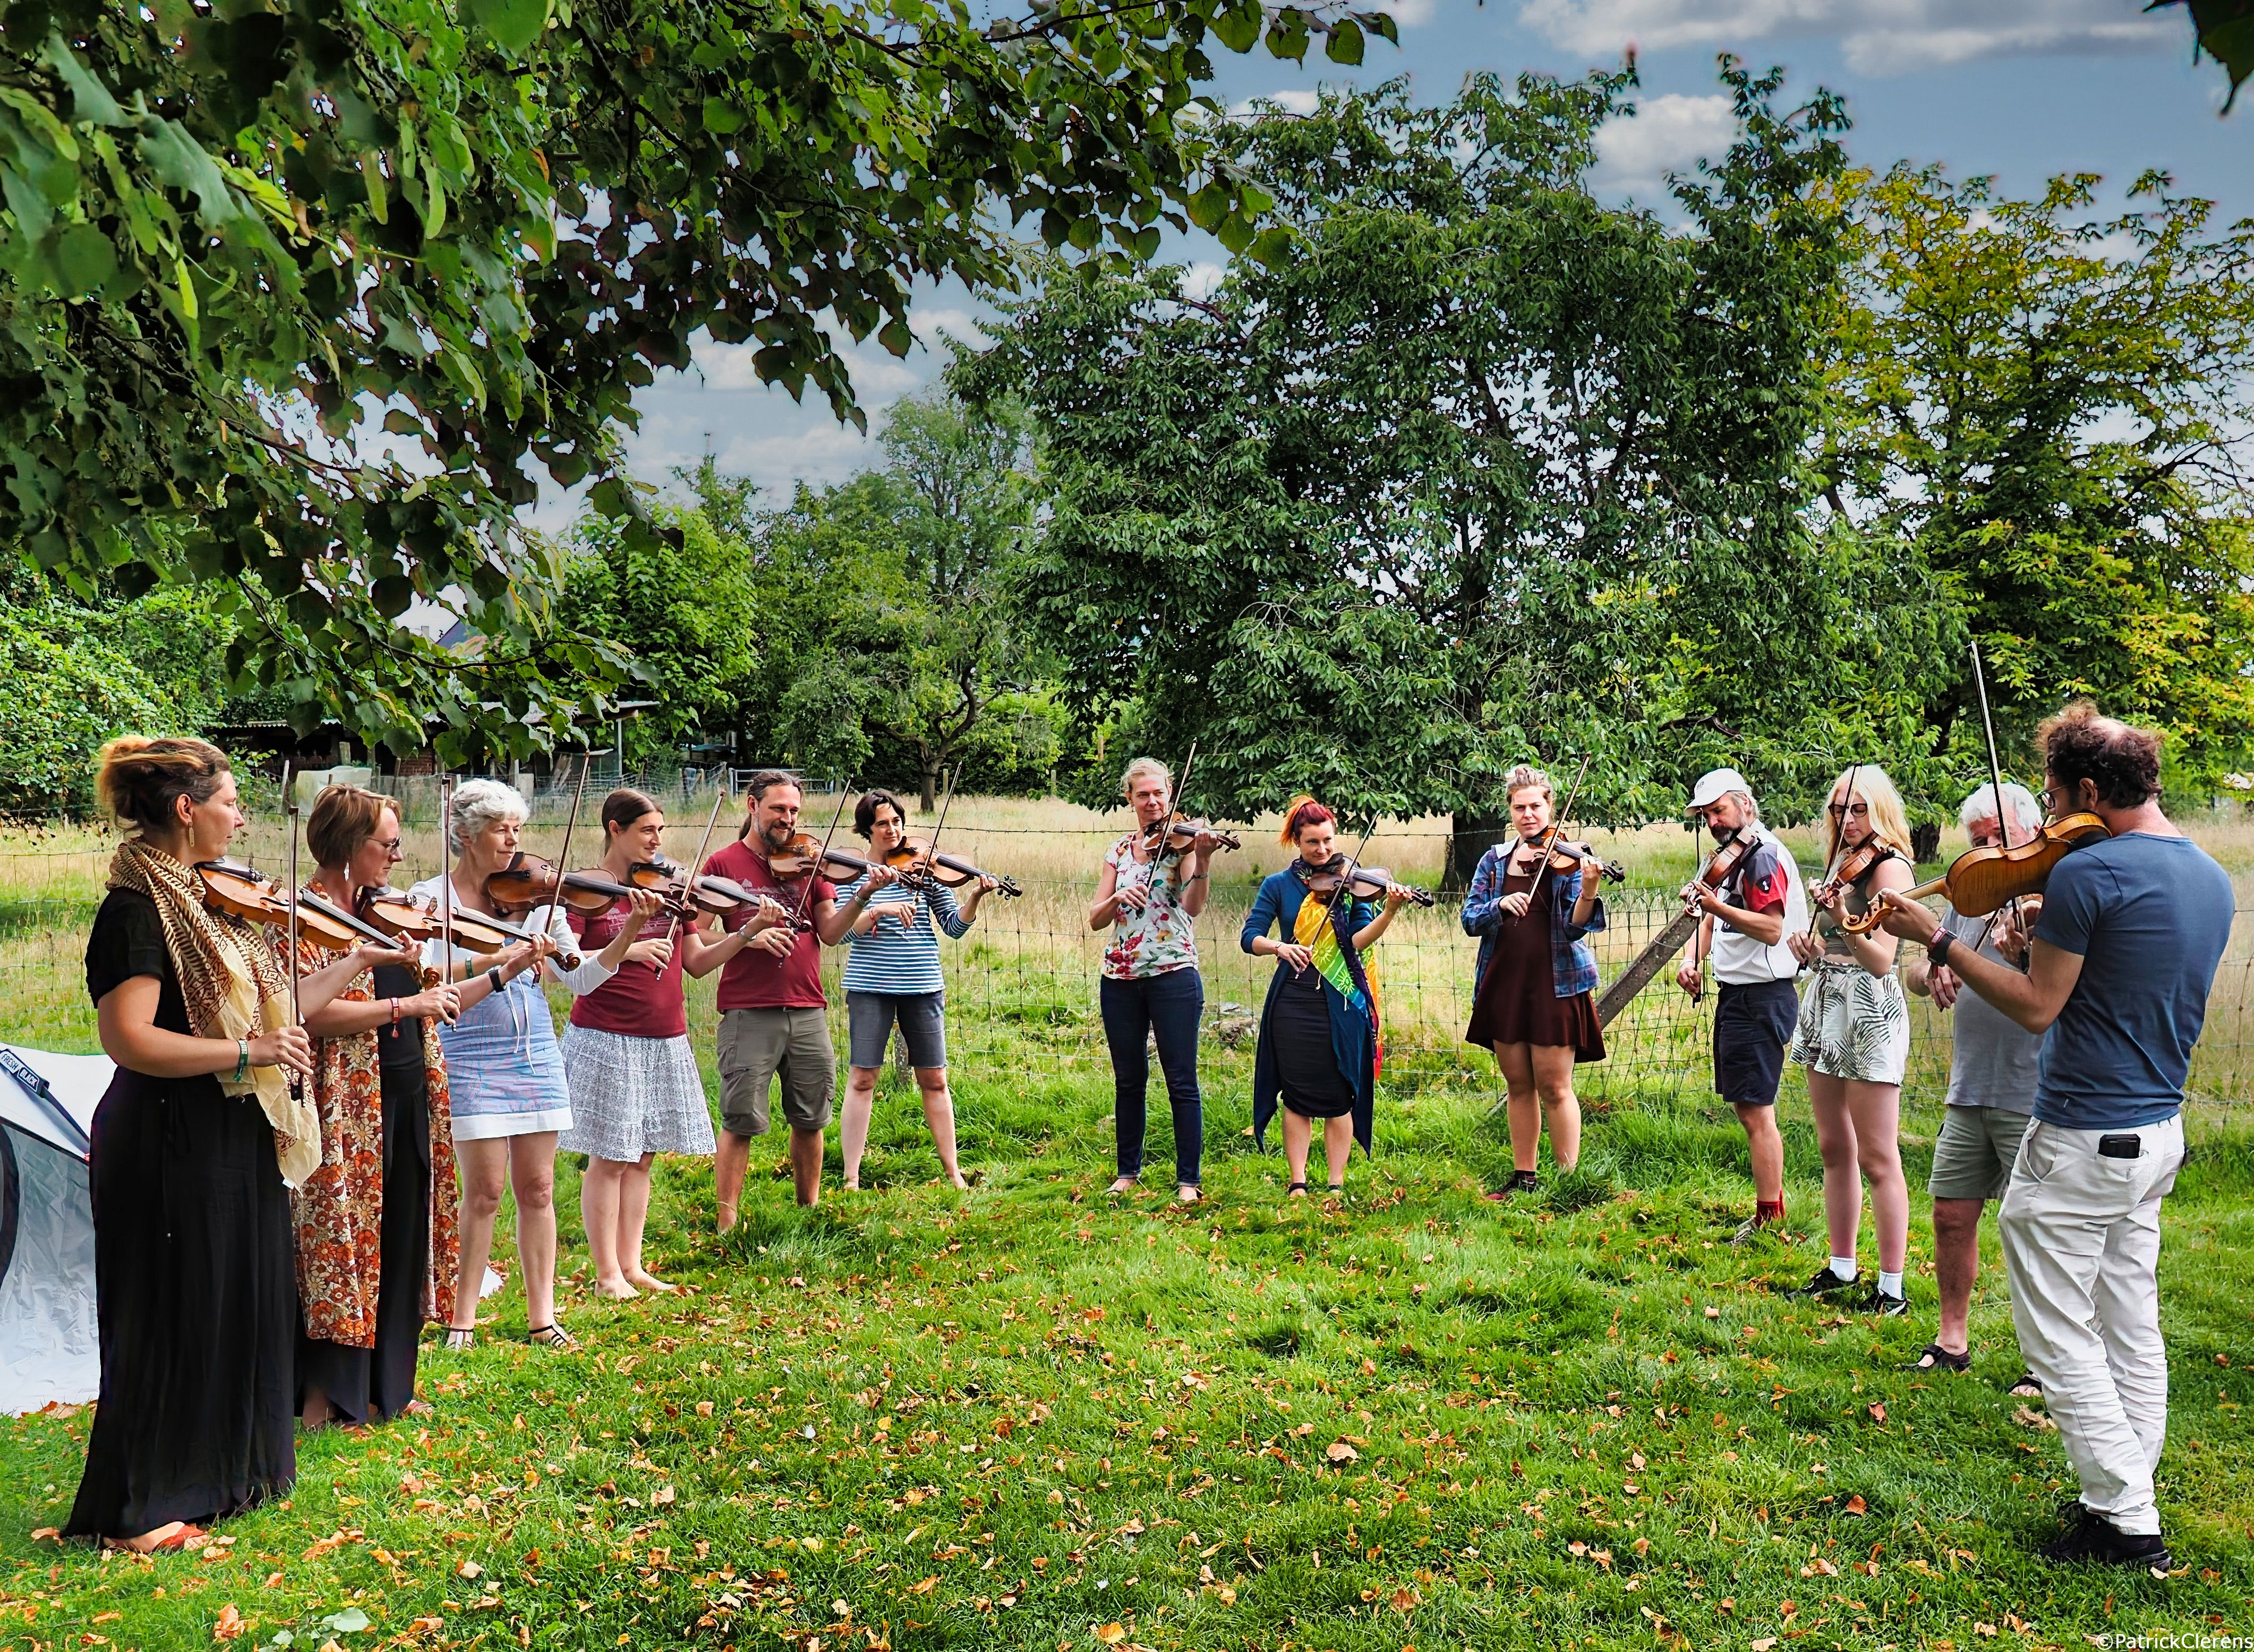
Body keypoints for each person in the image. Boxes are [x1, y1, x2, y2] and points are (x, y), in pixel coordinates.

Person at [1877, 704, 2233, 1571]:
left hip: (2079, 1134)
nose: (2042, 823)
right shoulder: (2206, 873)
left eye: (2049, 799)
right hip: (2156, 1130)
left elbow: (2038, 1007)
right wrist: (2039, 936)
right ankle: (2120, 1493)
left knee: (2056, 1334)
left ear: (2085, 789)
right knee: (2127, 1319)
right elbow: (2120, 980)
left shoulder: (2087, 874)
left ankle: (2125, 1519)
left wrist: (1937, 941)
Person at [65, 738, 373, 1552]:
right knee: (171, 1312)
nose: (240, 815)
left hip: (226, 1130)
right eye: (231, 800)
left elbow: (276, 1011)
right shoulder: (136, 909)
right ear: (185, 809)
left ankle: (219, 1479)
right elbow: (130, 1038)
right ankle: (138, 1511)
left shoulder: (203, 905)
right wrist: (250, 1054)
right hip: (167, 1136)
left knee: (232, 1301)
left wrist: (353, 958)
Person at [411, 777, 667, 1347]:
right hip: (468, 1051)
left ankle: (542, 1317)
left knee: (539, 1189)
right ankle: (462, 1320)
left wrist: (627, 929)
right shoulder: (433, 899)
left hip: (534, 1054)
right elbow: (426, 975)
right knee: (482, 1192)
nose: (513, 841)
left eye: (517, 830)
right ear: (468, 835)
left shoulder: (537, 905)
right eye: (502, 830)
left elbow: (580, 977)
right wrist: (499, 958)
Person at [292, 785, 464, 1428]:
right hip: (344, 1102)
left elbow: (433, 998)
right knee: (337, 1243)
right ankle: (323, 1396)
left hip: (410, 1093)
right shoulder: (301, 919)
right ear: (347, 847)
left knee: (401, 1234)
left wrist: (489, 969)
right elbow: (309, 1012)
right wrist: (405, 1005)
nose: (397, 855)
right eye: (386, 844)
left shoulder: (388, 914)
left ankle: (387, 1387)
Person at [559, 790, 763, 1294]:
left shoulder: (669, 888)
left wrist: (746, 933)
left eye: (661, 830)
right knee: (609, 1154)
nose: (657, 840)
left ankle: (632, 1265)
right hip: (606, 1034)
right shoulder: (587, 890)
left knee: (644, 1154)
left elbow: (695, 962)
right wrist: (629, 944)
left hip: (663, 1034)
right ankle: (606, 1272)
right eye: (648, 830)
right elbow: (575, 970)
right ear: (615, 829)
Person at [703, 772, 898, 1218]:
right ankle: (727, 1221)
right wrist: (750, 939)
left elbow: (830, 933)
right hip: (749, 1010)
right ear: (752, 806)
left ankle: (808, 1210)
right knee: (740, 1120)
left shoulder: (811, 863)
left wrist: (864, 894)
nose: (787, 819)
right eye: (778, 808)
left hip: (808, 1007)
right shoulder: (723, 864)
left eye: (793, 810)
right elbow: (697, 934)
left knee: (811, 1117)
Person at [1900, 780, 2046, 1378]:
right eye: (1977, 840)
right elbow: (1915, 965)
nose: (1987, 851)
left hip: (2032, 1088)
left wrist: (2023, 954)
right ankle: (1951, 1340)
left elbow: (2061, 991)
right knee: (1950, 1214)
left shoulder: (2057, 898)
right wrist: (1929, 975)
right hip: (1970, 1085)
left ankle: (2045, 1362)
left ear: (2033, 835)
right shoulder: (1969, 898)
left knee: (2034, 1231)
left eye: (1998, 838)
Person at [1782, 766, 1916, 1314]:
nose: (1847, 819)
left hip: (1867, 1008)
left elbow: (1883, 961)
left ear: (1879, 810)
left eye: (1858, 809)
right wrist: (1811, 951)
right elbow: (1837, 950)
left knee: (1878, 1155)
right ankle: (1840, 1267)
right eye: (1838, 810)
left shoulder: (1891, 870)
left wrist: (1842, 916)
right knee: (1833, 1147)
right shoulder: (1842, 863)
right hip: (1828, 998)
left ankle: (1891, 1287)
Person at [831, 789, 998, 1191]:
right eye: (883, 824)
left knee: (935, 1078)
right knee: (863, 1077)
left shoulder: (922, 872)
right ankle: (852, 1177)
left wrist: (974, 895)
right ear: (866, 831)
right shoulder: (851, 873)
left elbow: (954, 927)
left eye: (897, 822)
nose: (893, 831)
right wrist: (874, 907)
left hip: (922, 983)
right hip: (870, 985)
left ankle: (954, 1172)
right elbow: (839, 935)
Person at [1243, 798, 1410, 1199]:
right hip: (1292, 1001)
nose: (1323, 850)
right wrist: (1279, 948)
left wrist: (1388, 912)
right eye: (1312, 842)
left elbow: (1355, 941)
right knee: (1296, 1095)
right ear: (1296, 842)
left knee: (1341, 1092)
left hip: (1342, 998)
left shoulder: (1353, 885)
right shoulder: (1279, 885)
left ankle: (1336, 1183)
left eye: (1328, 840)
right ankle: (1298, 1180)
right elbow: (1250, 936)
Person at [1461, 764, 1610, 1196]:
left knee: (1555, 1085)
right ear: (1510, 810)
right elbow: (1470, 919)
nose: (1529, 814)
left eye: (1536, 806)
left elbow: (1575, 928)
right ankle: (1524, 1176)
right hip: (1504, 982)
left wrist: (1588, 890)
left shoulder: (1569, 858)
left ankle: (1568, 1182)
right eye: (1520, 807)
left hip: (1555, 984)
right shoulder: (1494, 860)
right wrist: (1499, 905)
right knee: (1519, 1083)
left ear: (1550, 807)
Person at [1674, 767, 1809, 1242]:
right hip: (1739, 992)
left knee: (1756, 1110)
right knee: (1747, 1105)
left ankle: (1769, 1218)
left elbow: (1770, 928)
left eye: (1719, 810)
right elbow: (1709, 921)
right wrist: (1692, 957)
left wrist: (1716, 907)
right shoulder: (1732, 856)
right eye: (1706, 814)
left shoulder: (1764, 856)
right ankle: (1767, 1211)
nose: (1713, 820)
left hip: (1763, 993)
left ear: (1746, 805)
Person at [1087, 756, 1224, 1202]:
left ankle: (1189, 1180)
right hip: (1120, 975)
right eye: (1142, 794)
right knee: (1128, 1079)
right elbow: (1094, 917)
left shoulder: (1183, 845)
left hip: (1173, 972)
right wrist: (1117, 899)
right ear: (1129, 798)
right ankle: (1128, 1171)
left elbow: (1194, 905)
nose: (1152, 801)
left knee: (1181, 1078)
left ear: (1170, 794)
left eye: (1159, 793)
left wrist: (1201, 857)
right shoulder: (1119, 850)